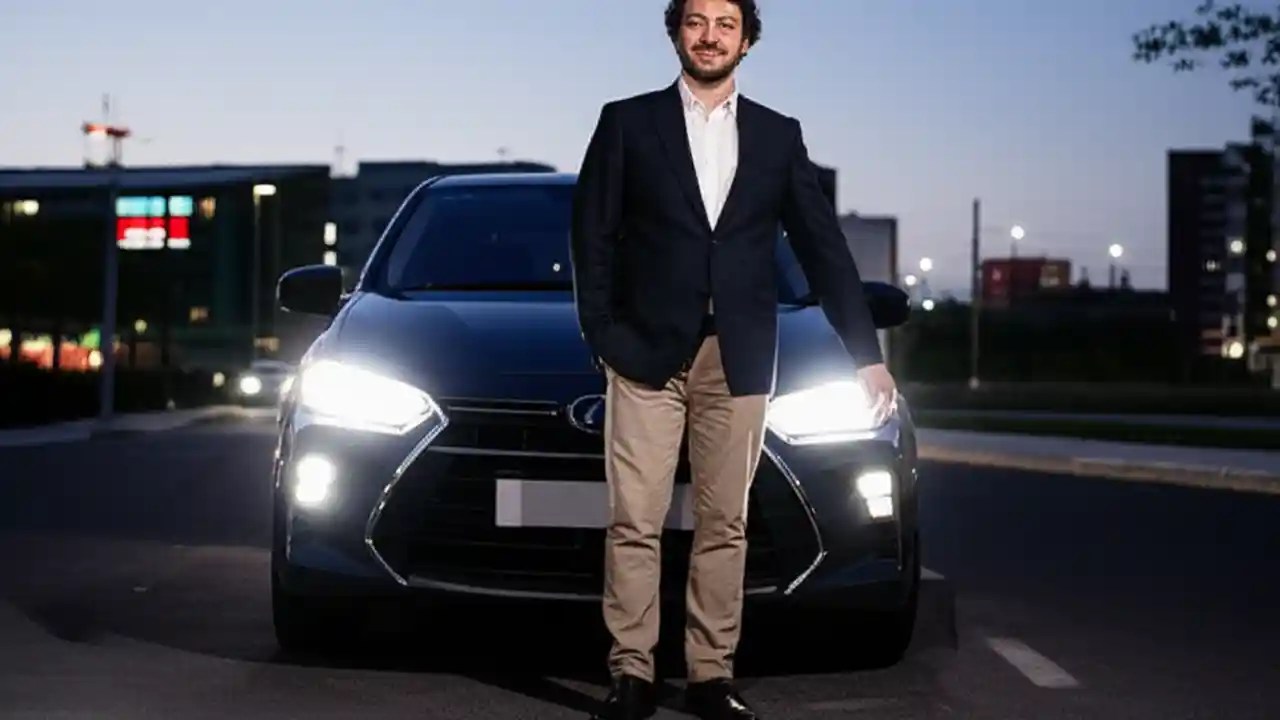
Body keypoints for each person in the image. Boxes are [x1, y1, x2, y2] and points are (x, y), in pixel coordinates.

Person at [569, 1, 897, 717]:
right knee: (635, 519)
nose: (709, 35)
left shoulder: (778, 137)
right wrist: (602, 334)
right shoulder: (626, 122)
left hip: (740, 356)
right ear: (675, 31)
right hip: (646, 354)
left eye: (725, 23)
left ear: (746, 40)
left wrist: (865, 355)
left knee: (726, 523)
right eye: (696, 21)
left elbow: (823, 249)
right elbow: (590, 237)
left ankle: (711, 675)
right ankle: (632, 674)